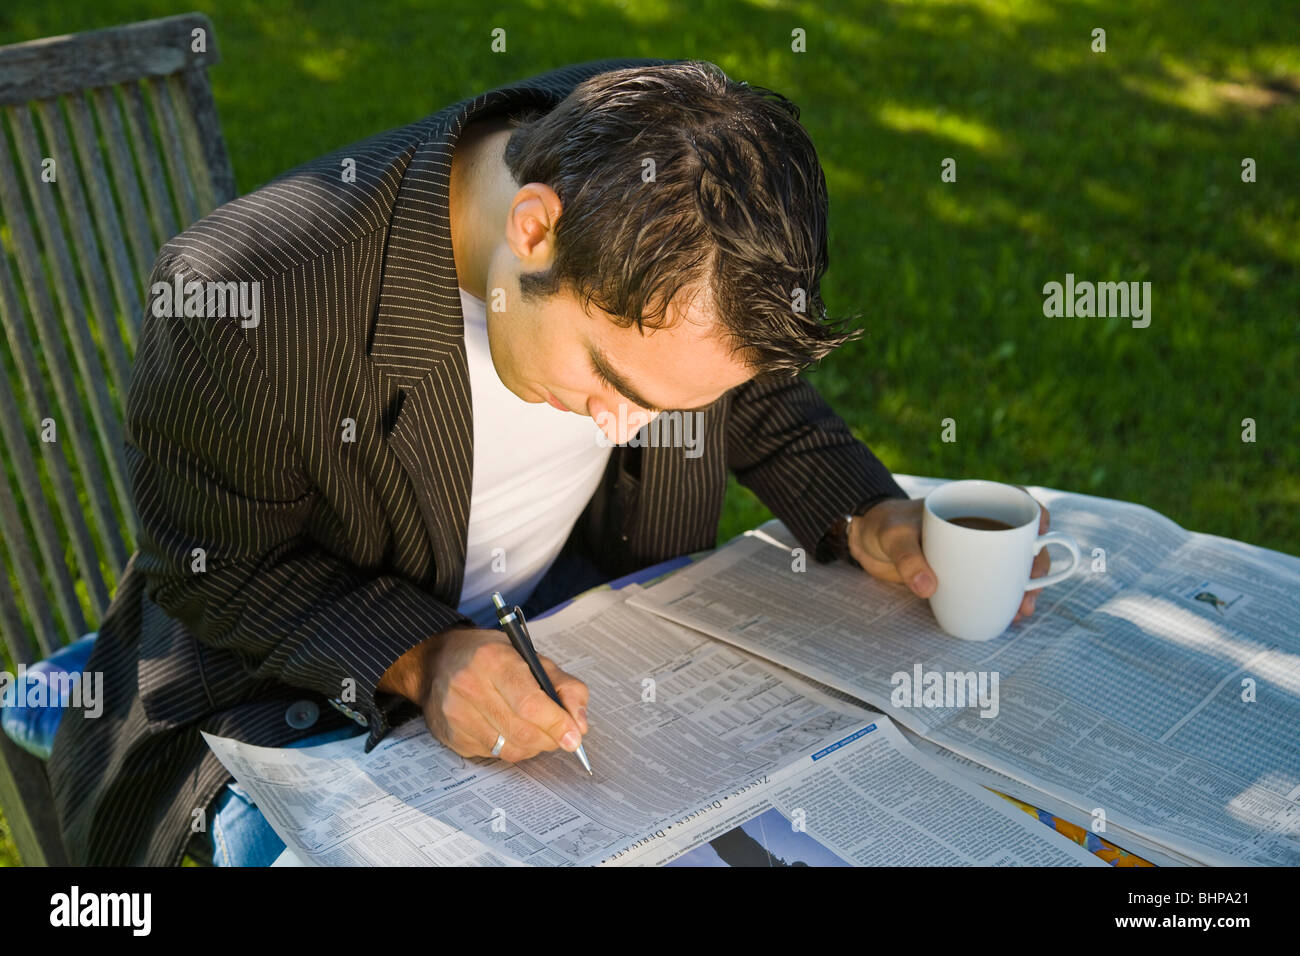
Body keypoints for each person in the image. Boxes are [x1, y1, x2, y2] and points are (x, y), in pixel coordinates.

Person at [48, 57, 1050, 866]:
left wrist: (871, 514)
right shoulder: (249, 292)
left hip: (575, 638)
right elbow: (222, 571)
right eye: (611, 379)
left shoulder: (675, 170)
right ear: (533, 227)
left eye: (663, 404)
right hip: (282, 696)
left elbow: (735, 383)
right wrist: (426, 654)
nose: (626, 429)